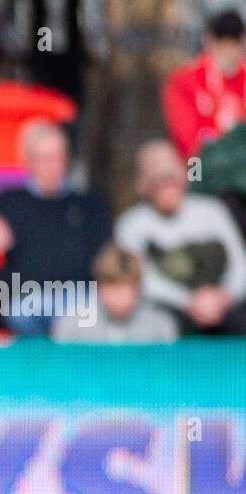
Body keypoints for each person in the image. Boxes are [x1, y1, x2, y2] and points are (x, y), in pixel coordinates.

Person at [0, 121, 110, 336]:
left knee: (83, 317)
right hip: (24, 300)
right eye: (44, 158)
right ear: (28, 161)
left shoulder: (89, 205)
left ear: (67, 159)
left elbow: (105, 257)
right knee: (23, 314)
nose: (52, 166)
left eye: (57, 157)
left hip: (78, 299)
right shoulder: (9, 202)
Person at [115, 139, 246, 336]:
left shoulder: (213, 210)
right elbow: (140, 280)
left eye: (171, 177)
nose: (166, 187)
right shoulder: (130, 224)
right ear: (142, 185)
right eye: (156, 180)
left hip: (223, 306)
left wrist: (222, 297)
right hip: (169, 312)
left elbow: (240, 266)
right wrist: (188, 301)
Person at [163, 9, 246, 161]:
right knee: (194, 169)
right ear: (209, 41)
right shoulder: (185, 80)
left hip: (241, 167)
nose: (229, 52)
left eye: (234, 44)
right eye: (222, 44)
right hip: (202, 164)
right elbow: (187, 142)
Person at [51, 244, 178, 344]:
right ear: (99, 287)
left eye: (125, 288)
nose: (119, 298)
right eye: (112, 288)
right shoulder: (71, 325)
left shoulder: (160, 326)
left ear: (138, 289)